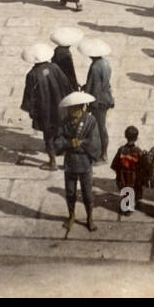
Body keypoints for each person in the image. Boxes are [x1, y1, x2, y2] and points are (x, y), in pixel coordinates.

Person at [55, 91, 101, 231]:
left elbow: (95, 142)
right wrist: (68, 144)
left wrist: (80, 143)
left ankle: (90, 217)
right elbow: (57, 141)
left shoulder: (90, 121)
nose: (72, 112)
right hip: (70, 163)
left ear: (82, 108)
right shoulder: (64, 122)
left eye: (75, 108)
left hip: (84, 162)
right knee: (70, 192)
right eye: (70, 108)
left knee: (87, 193)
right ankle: (71, 215)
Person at [21, 43, 68, 170]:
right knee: (63, 132)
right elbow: (65, 83)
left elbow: (29, 95)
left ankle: (52, 162)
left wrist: (29, 109)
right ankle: (67, 161)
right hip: (60, 107)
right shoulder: (54, 67)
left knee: (48, 136)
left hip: (45, 111)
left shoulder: (32, 74)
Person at [81, 37, 114, 160]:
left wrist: (89, 102)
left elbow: (95, 87)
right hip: (106, 97)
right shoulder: (105, 63)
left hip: (99, 101)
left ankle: (103, 154)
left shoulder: (95, 67)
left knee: (100, 127)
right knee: (101, 126)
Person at [111, 126, 146, 217]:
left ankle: (127, 208)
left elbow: (115, 164)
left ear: (125, 136)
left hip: (123, 175)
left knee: (126, 190)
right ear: (137, 137)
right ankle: (135, 202)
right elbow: (143, 165)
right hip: (134, 175)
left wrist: (120, 172)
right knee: (136, 189)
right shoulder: (138, 151)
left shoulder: (121, 150)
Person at [49, 26, 83, 93]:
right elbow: (71, 72)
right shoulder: (66, 54)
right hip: (65, 82)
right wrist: (75, 85)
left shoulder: (57, 50)